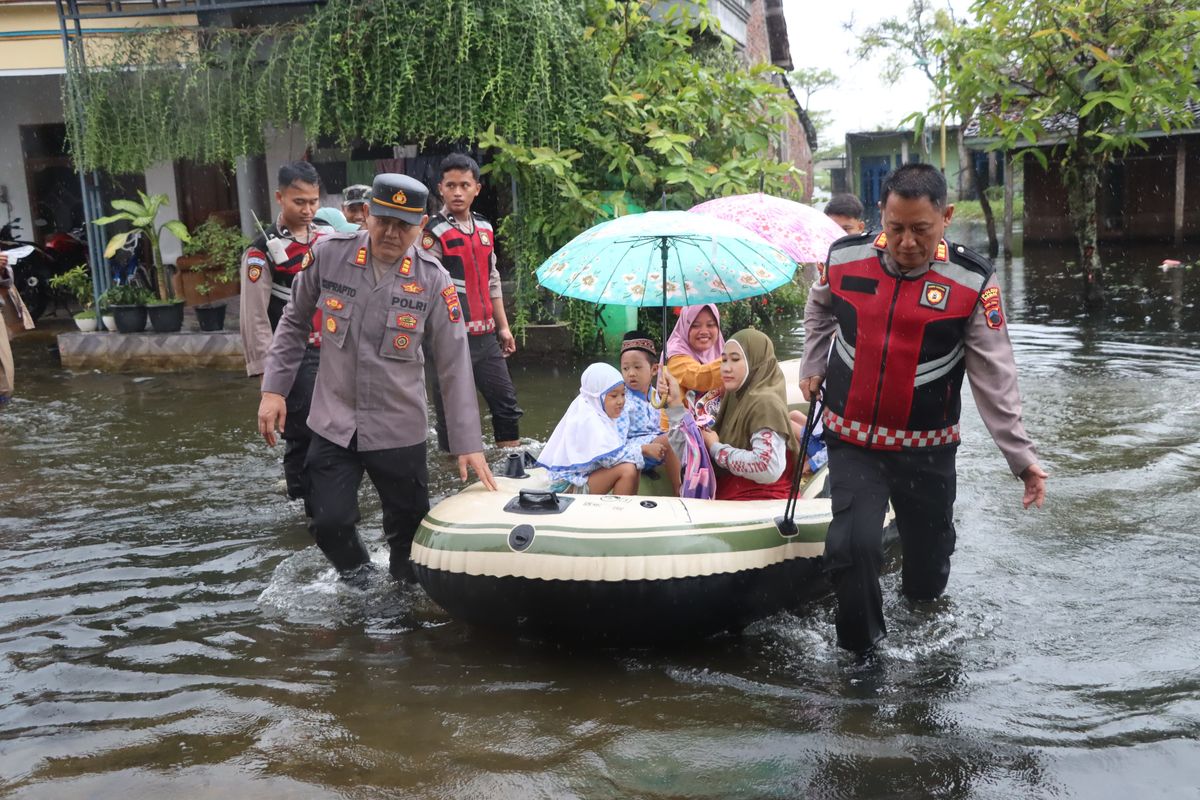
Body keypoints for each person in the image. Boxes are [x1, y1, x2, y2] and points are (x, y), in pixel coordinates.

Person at [799, 163, 1047, 655]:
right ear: (881, 216)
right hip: (851, 439)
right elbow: (820, 306)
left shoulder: (973, 280)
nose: (906, 242)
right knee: (852, 547)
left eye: (920, 229)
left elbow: (994, 373)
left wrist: (1022, 458)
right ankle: (861, 663)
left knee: (927, 573)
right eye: (895, 228)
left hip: (927, 450)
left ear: (946, 217)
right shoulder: (845, 258)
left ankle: (924, 641)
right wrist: (813, 361)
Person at [256, 174, 497, 583]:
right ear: (366, 215)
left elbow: (453, 363)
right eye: (383, 220)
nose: (390, 233)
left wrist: (468, 443)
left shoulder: (433, 279)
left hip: (398, 426)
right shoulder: (329, 256)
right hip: (334, 420)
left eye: (404, 225)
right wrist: (274, 389)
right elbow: (294, 321)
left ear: (421, 227)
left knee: (409, 535)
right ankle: (359, 577)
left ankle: (401, 609)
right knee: (327, 521)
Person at [240, 161, 325, 511]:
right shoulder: (262, 251)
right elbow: (255, 316)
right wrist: (267, 377)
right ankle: (300, 503)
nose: (307, 210)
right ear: (280, 198)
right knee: (302, 434)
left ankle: (327, 495)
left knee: (335, 430)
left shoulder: (326, 239)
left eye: (313, 202)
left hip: (333, 351)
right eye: (299, 202)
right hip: (294, 355)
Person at [422, 154, 522, 450]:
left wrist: (503, 327)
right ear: (440, 188)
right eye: (450, 185)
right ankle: (454, 474)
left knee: (506, 404)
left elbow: (493, 280)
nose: (457, 192)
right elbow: (428, 286)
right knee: (452, 414)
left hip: (486, 336)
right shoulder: (433, 231)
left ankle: (510, 465)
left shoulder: (485, 228)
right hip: (448, 339)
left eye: (464, 185)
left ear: (476, 189)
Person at [660, 329, 799, 500]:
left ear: (755, 362)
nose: (725, 368)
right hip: (729, 496)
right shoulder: (734, 397)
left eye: (735, 359)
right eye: (723, 360)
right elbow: (696, 454)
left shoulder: (765, 402)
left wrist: (717, 449)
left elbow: (769, 467)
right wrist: (674, 404)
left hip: (761, 501)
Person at [537, 363, 643, 496]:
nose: (621, 401)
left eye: (623, 394)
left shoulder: (597, 410)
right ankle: (619, 513)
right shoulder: (588, 419)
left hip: (583, 477)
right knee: (627, 469)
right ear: (597, 396)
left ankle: (632, 506)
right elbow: (609, 459)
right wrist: (643, 450)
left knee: (635, 463)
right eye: (614, 396)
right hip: (569, 487)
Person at [619, 330, 677, 490]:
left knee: (684, 434)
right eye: (625, 368)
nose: (631, 373)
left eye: (637, 367)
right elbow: (616, 441)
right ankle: (680, 490)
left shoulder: (656, 394)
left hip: (655, 445)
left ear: (654, 369)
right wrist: (644, 449)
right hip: (636, 451)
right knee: (671, 438)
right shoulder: (621, 399)